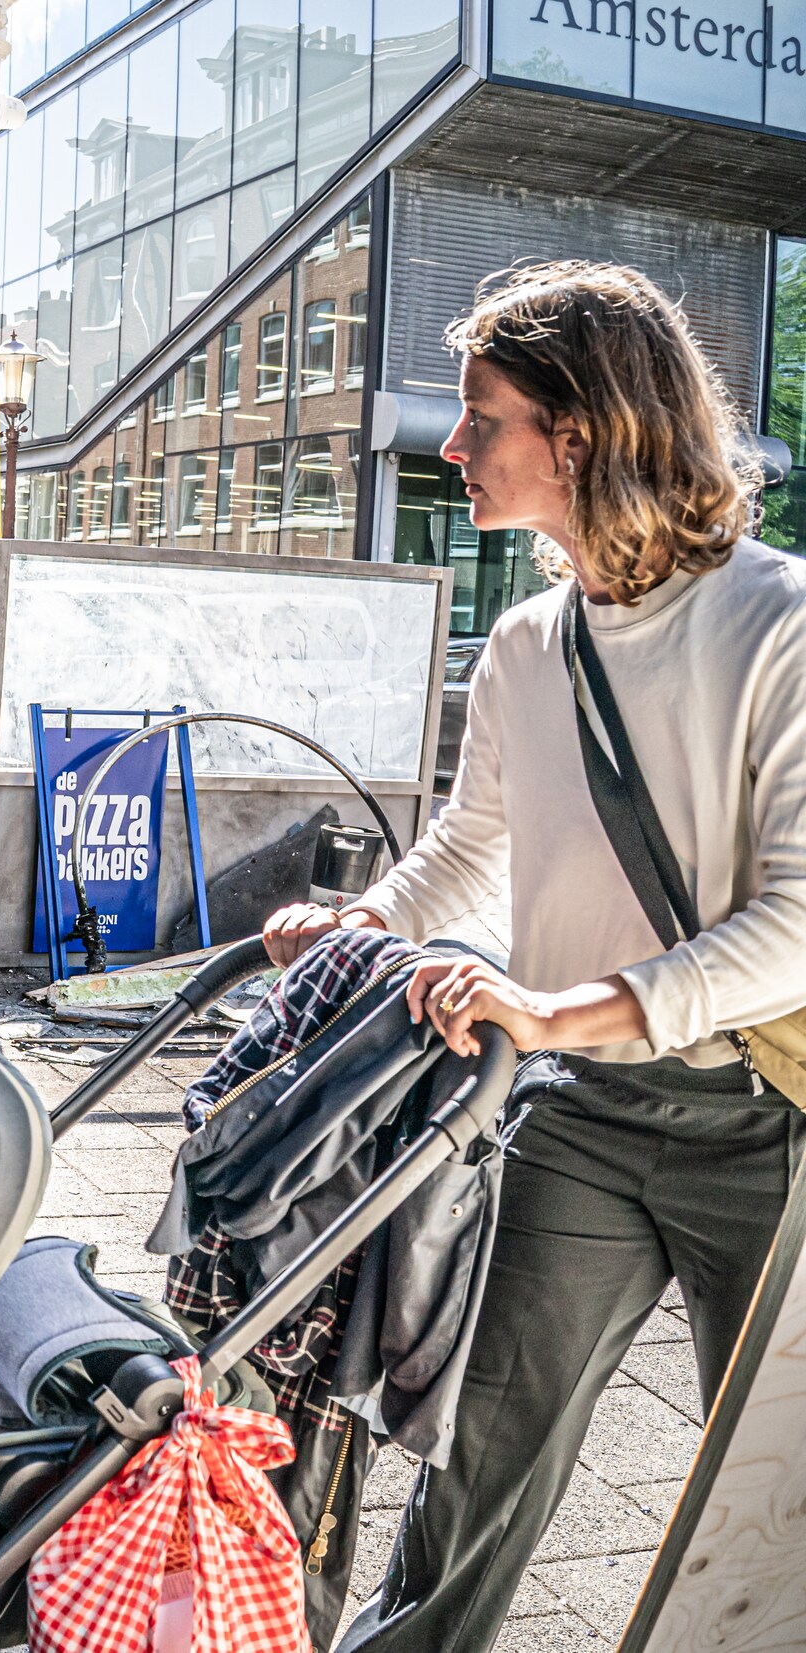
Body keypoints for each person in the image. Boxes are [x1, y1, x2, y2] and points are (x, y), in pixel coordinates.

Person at [259, 260, 806, 1653]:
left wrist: (554, 1008)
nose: (453, 445)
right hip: (584, 1117)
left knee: (780, 1511)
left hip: (770, 1131)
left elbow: (798, 926)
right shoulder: (524, 645)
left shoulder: (780, 624)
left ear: (579, 432)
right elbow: (473, 847)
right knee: (473, 1479)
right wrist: (367, 923)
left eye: (480, 416)